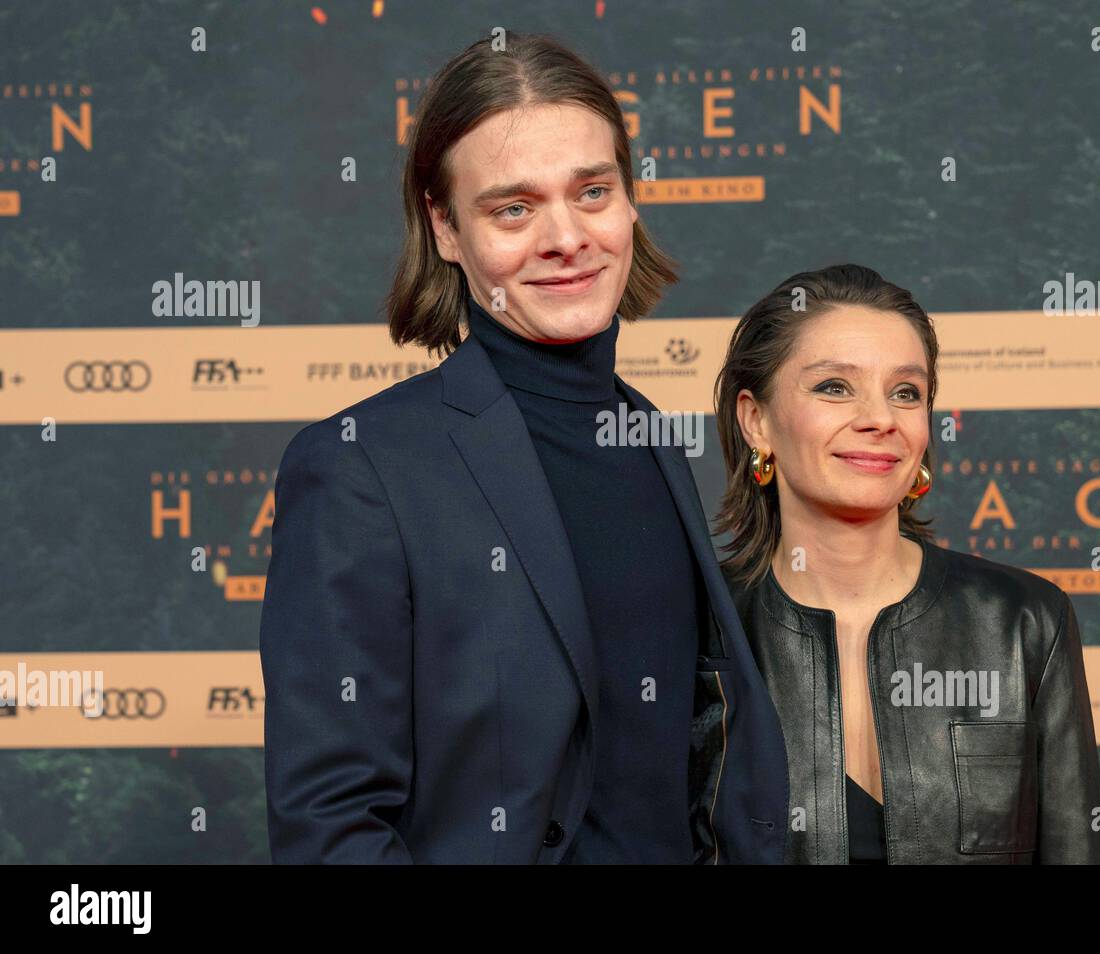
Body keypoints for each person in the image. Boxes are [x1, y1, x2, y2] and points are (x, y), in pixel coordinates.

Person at [259, 31, 788, 864]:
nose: (566, 237)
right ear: (445, 228)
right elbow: (331, 825)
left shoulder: (647, 435)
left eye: (591, 191)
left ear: (628, 200)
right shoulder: (361, 466)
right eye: (513, 208)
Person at [713, 263, 1100, 864]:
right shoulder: (695, 628)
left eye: (906, 392)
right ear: (757, 421)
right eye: (834, 387)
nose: (881, 419)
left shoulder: (1024, 622)